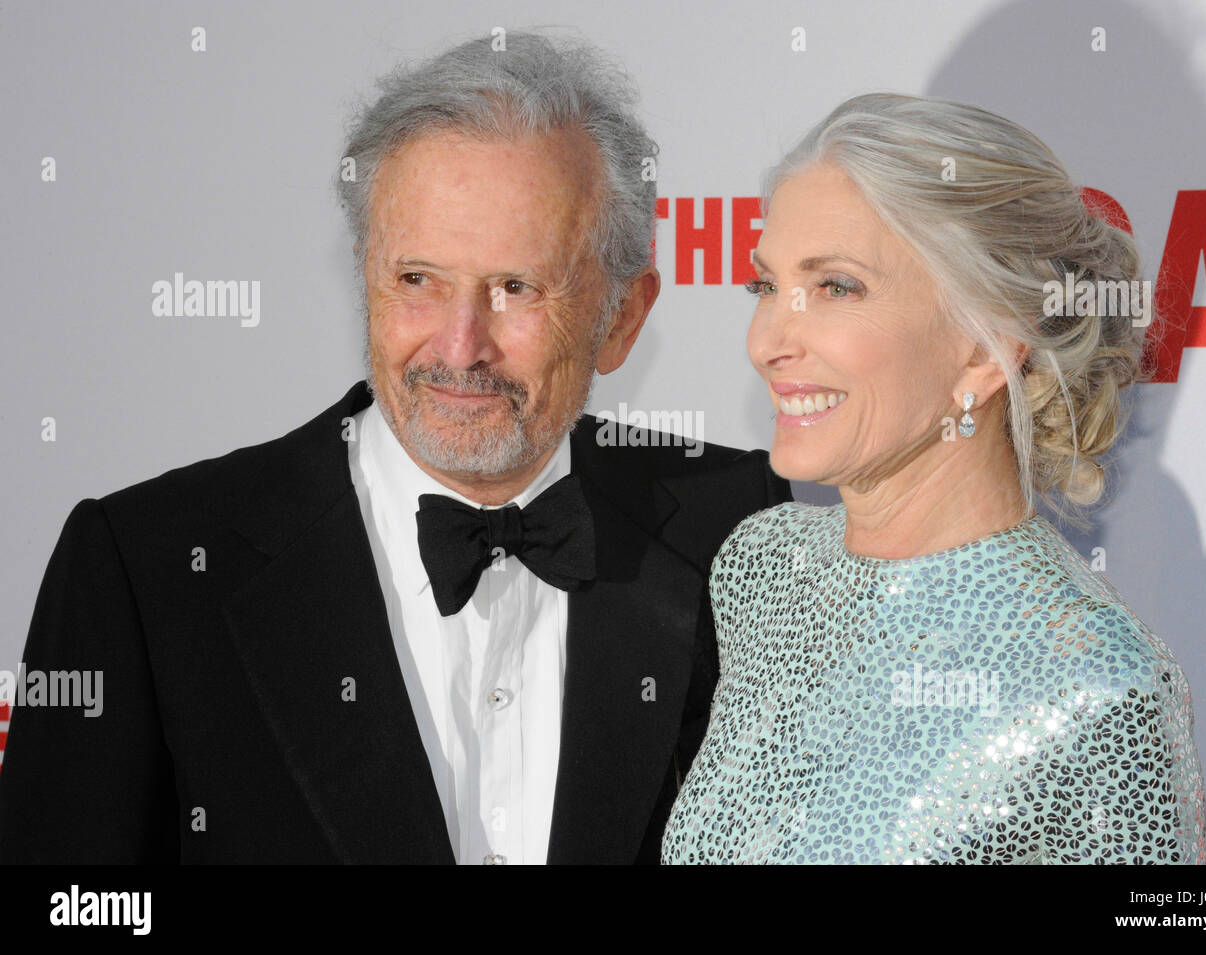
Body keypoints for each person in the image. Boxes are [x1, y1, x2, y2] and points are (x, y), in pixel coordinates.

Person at [0, 32, 790, 865]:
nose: (460, 345)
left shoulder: (741, 528)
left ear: (622, 316)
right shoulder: (149, 565)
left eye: (515, 288)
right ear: (363, 275)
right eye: (418, 280)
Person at [661, 92, 1206, 864]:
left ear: (986, 348)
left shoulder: (1096, 681)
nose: (768, 340)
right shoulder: (764, 566)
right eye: (766, 286)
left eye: (835, 287)